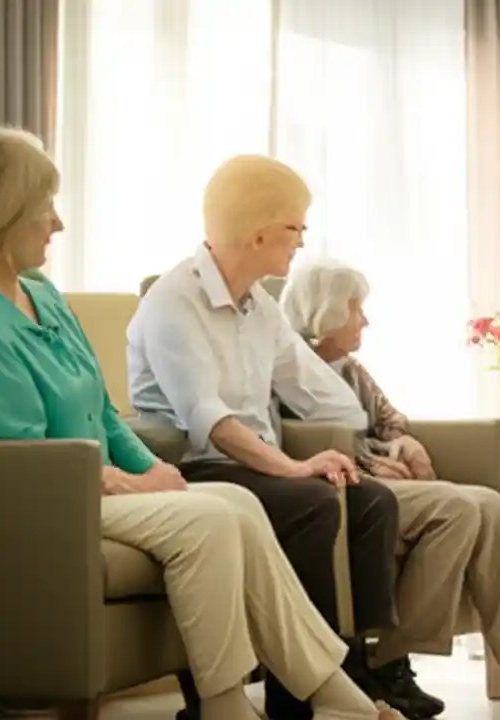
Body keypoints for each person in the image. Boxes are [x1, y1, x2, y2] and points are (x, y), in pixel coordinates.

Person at [0, 128, 397, 720]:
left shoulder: (42, 294)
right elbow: (30, 458)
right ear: (5, 213)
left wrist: (156, 470)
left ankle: (324, 689)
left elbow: (104, 413)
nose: (58, 223)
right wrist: (133, 484)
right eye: (45, 207)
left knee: (239, 503)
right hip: (53, 501)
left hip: (97, 486)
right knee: (212, 519)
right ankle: (228, 703)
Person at [278, 259, 500, 720]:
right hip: (349, 489)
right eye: (356, 309)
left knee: (489, 504)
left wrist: (403, 442)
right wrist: (374, 463)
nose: (366, 320)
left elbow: (390, 418)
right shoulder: (290, 369)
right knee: (458, 508)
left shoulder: (352, 371)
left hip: (384, 481)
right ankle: (388, 661)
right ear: (327, 312)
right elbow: (303, 442)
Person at [126, 155, 403, 720]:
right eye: (295, 228)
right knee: (310, 501)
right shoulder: (173, 302)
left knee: (371, 499)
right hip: (193, 465)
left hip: (250, 462)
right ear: (257, 235)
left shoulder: (261, 308)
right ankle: (297, 702)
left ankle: (360, 669)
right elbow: (209, 421)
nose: (302, 241)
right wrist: (293, 467)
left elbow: (324, 394)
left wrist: (382, 441)